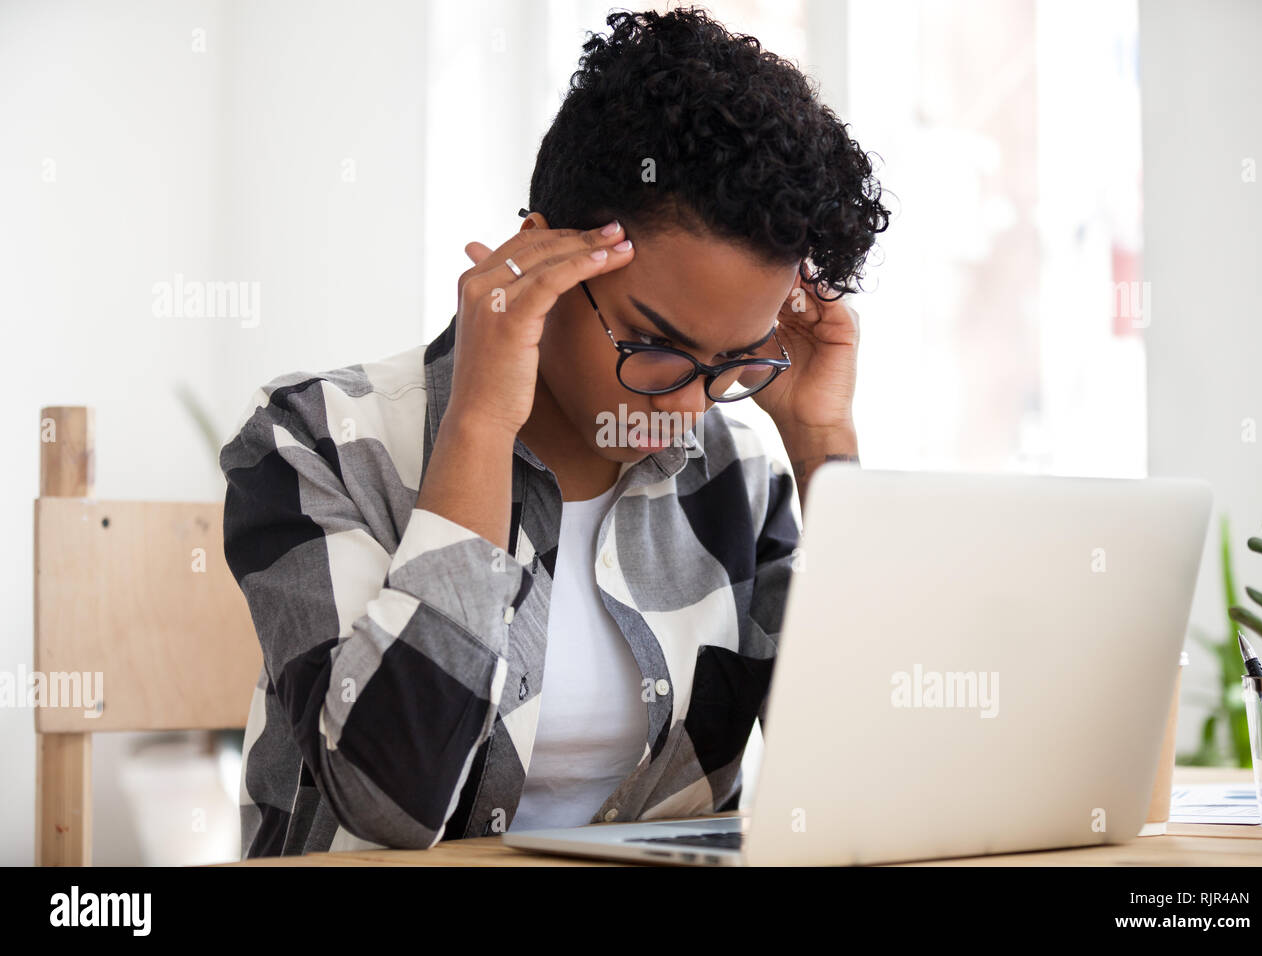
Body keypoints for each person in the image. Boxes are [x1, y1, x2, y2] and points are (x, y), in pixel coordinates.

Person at [220, 5, 889, 857]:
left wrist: (824, 448)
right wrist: (480, 422)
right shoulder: (316, 441)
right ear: (540, 259)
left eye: (733, 362)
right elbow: (388, 802)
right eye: (655, 347)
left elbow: (862, 779)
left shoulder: (737, 477)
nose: (688, 411)